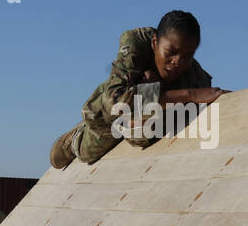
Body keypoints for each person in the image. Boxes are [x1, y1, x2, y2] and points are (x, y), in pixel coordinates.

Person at [49, 10, 229, 169]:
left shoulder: (195, 76)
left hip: (138, 117)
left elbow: (215, 99)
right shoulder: (136, 45)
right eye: (170, 52)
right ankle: (74, 139)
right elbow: (114, 100)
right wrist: (189, 95)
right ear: (154, 43)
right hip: (110, 114)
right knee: (89, 150)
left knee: (147, 126)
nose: (178, 62)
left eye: (187, 56)